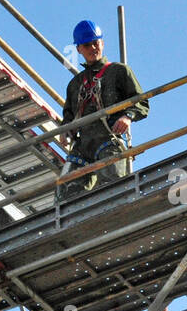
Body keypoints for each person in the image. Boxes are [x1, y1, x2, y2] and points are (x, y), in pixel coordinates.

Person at [58, 19, 149, 198]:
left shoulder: (118, 72)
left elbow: (141, 102)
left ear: (102, 43)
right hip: (83, 146)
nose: (93, 48)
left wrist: (128, 117)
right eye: (87, 45)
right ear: (79, 49)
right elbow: (68, 115)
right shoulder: (75, 84)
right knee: (65, 193)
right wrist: (65, 130)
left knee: (113, 189)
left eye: (95, 43)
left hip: (109, 140)